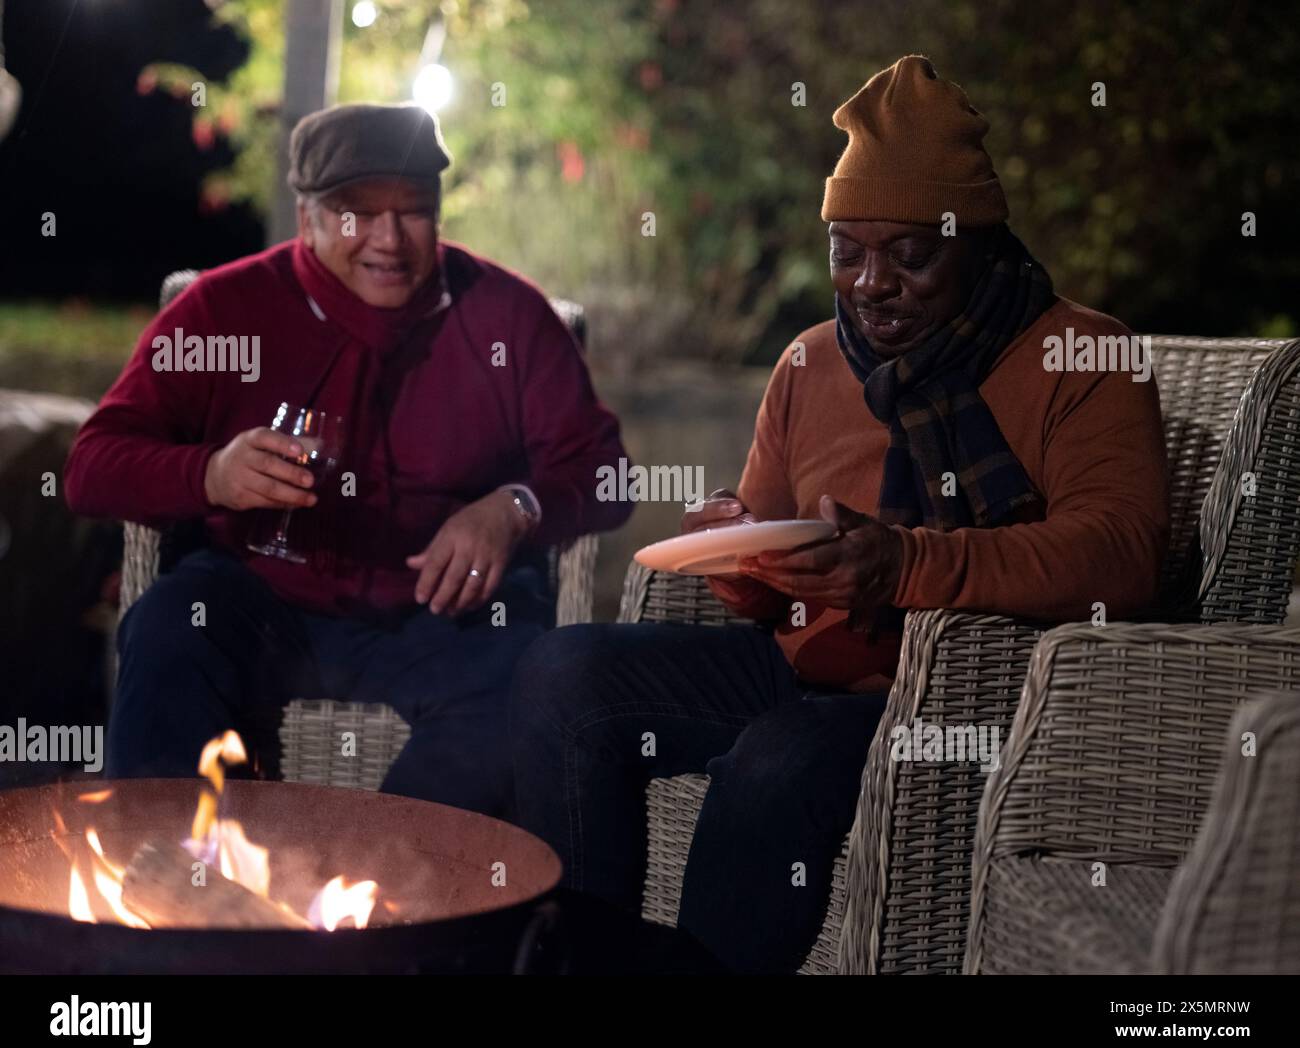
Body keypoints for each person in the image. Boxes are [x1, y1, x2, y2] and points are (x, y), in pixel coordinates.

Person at [509, 55, 1169, 972]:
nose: (872, 285)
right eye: (847, 252)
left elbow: (1122, 558)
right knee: (562, 669)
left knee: (782, 756)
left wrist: (904, 564)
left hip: (973, 698)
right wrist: (737, 550)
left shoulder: (1084, 356)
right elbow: (770, 571)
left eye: (911, 255)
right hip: (808, 665)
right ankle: (579, 956)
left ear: (976, 239)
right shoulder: (813, 362)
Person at [65, 103, 631, 817]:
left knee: (525, 682)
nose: (389, 240)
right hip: (259, 596)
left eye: (414, 211)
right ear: (308, 217)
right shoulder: (223, 309)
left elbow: (606, 470)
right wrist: (209, 474)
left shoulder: (507, 316)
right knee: (170, 628)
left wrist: (514, 506)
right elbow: (91, 465)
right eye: (357, 214)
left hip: (441, 615)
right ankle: (187, 892)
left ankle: (386, 894)